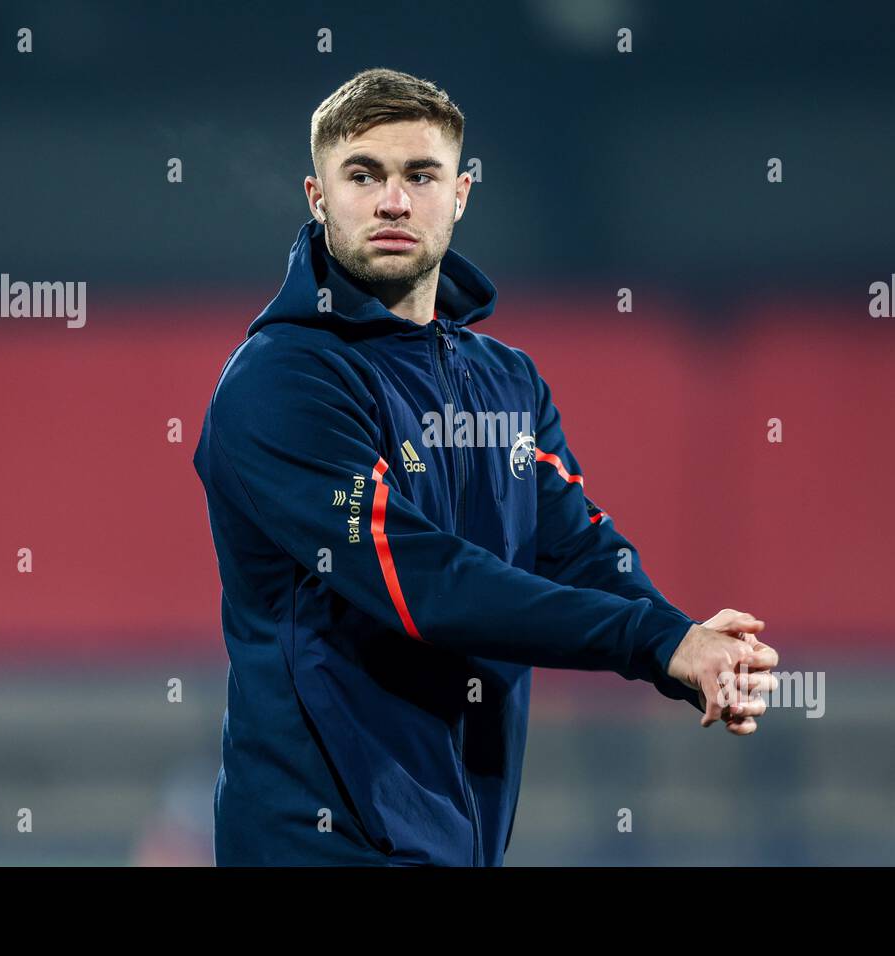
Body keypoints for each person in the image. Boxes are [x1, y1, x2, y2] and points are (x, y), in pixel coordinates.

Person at [192, 67, 779, 867]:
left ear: (461, 194)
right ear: (317, 196)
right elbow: (424, 584)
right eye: (362, 175)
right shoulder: (283, 380)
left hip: (456, 848)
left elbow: (576, 546)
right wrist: (654, 640)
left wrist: (684, 647)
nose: (392, 200)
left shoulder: (505, 380)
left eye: (420, 175)